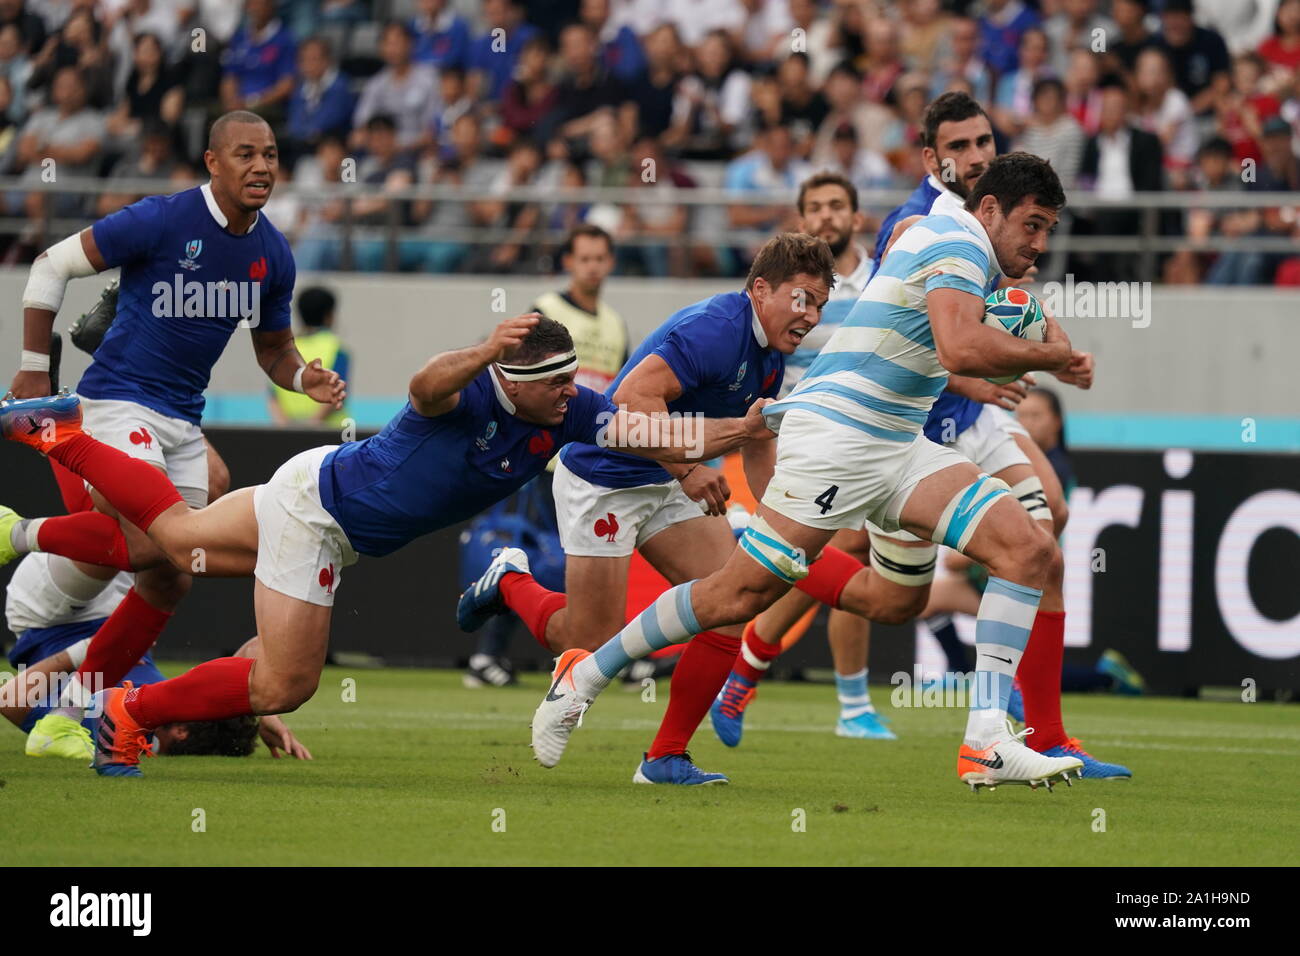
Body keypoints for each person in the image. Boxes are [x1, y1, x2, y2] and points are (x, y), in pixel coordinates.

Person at [531, 153, 1097, 793]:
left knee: (1027, 549)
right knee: (736, 596)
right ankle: (586, 674)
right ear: (990, 209)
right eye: (1034, 225)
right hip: (839, 439)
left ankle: (986, 742)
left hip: (896, 442)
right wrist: (1054, 355)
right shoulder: (957, 239)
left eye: (1049, 229)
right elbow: (962, 349)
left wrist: (1052, 340)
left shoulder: (959, 244)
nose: (1041, 244)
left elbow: (974, 313)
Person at [0, 313, 775, 777]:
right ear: (511, 375)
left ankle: (56, 431)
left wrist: (736, 431)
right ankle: (129, 715)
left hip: (312, 492)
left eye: (573, 382)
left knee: (168, 537)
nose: (571, 394)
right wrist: (479, 350)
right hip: (318, 521)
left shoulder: (564, 412)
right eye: (555, 383)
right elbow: (423, 385)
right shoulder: (469, 390)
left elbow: (648, 431)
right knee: (286, 683)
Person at [0, 110, 343, 759]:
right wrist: (33, 368)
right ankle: (18, 524)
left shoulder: (271, 253)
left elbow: (274, 351)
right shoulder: (162, 219)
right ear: (213, 162)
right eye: (245, 154)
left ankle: (71, 711)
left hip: (182, 419)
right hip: (117, 402)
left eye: (269, 154)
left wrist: (305, 379)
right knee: (141, 542)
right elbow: (49, 265)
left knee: (171, 573)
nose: (261, 167)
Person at [460, 235, 834, 786]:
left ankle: (664, 758)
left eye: (820, 304)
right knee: (585, 639)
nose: (811, 314)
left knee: (729, 604)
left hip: (664, 478)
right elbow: (632, 401)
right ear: (759, 289)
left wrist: (784, 513)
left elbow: (756, 441)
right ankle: (510, 579)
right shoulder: (715, 329)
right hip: (604, 476)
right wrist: (686, 469)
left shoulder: (770, 356)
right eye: (802, 298)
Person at [710, 171, 897, 744]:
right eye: (813, 207)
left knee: (837, 564)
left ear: (857, 218)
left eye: (836, 205)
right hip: (796, 445)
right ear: (800, 220)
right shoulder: (792, 293)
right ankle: (844, 702)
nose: (825, 216)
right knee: (845, 553)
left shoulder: (885, 284)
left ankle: (756, 673)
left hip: (869, 438)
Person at [462, 224, 629, 689]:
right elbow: (500, 364)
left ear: (610, 263)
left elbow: (619, 395)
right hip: (547, 461)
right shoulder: (547, 311)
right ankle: (489, 656)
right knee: (547, 559)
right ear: (568, 263)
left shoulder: (615, 324)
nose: (593, 266)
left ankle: (587, 652)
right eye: (584, 257)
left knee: (580, 561)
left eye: (600, 257)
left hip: (595, 463)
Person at [269, 287, 350, 426]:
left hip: (288, 434)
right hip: (331, 432)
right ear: (329, 315)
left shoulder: (283, 349)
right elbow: (337, 392)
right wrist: (311, 426)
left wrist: (285, 429)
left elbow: (273, 396)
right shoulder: (337, 348)